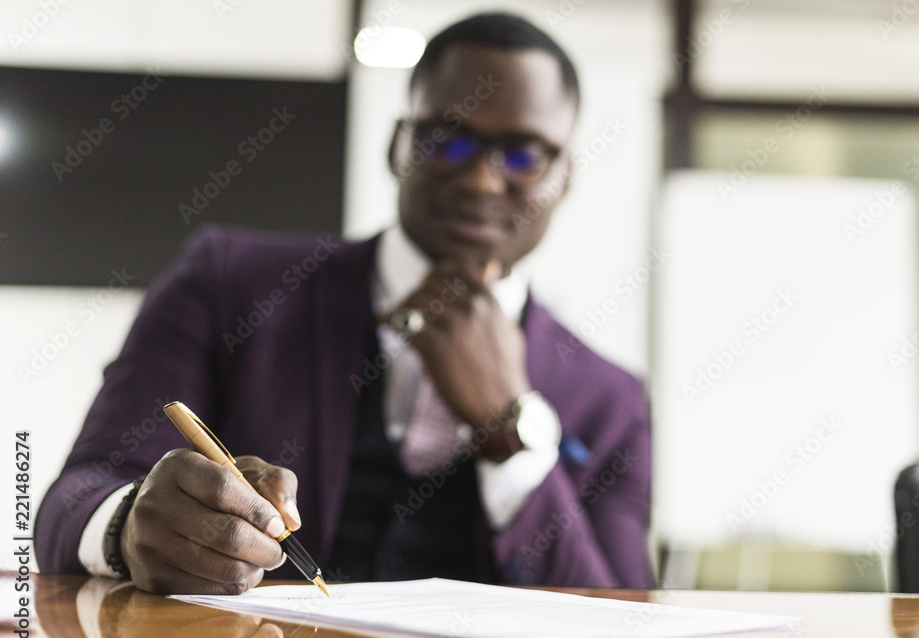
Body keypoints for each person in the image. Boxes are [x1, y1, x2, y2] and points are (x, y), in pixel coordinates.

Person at [36, 12, 654, 594]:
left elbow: (624, 622)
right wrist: (127, 528)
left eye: (523, 154)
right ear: (397, 147)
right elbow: (74, 498)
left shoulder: (611, 400)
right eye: (448, 140)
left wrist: (509, 433)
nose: (482, 180)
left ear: (563, 177)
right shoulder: (225, 284)